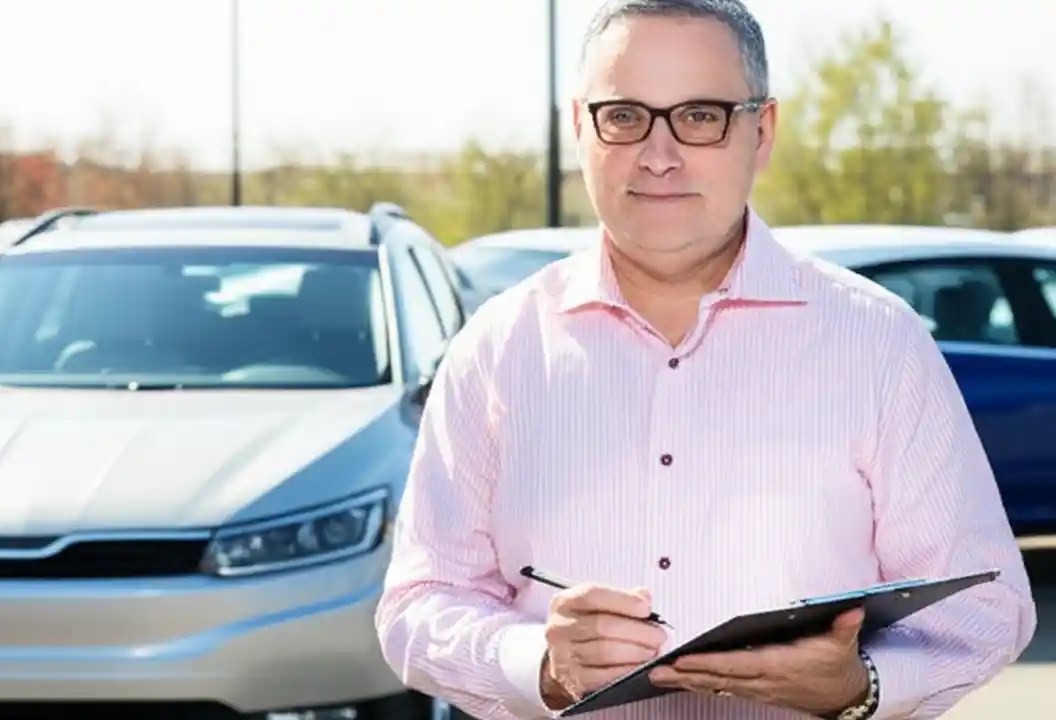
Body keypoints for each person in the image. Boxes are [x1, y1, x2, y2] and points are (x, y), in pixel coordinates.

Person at [373, 1, 1038, 719]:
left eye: (700, 115)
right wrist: (537, 661)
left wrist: (858, 684)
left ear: (763, 131)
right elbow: (418, 603)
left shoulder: (879, 343)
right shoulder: (497, 348)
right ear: (579, 128)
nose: (660, 155)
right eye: (625, 116)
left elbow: (987, 604)